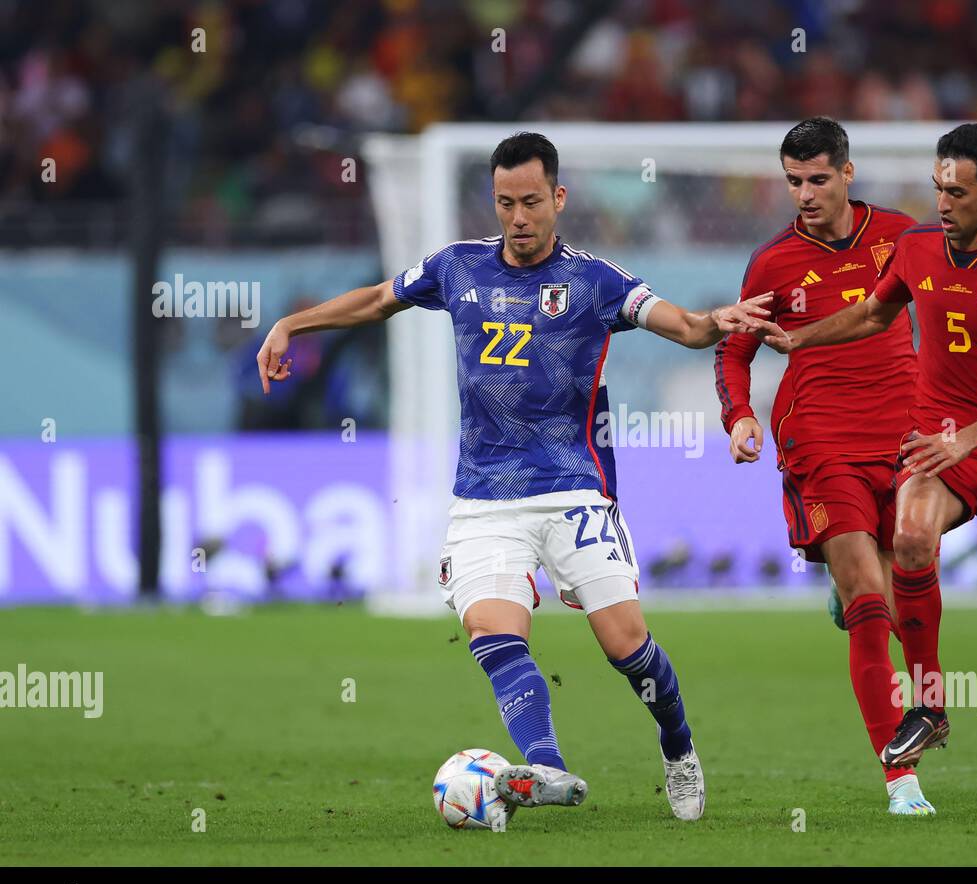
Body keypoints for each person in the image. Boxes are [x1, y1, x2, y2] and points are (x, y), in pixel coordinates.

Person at [256, 131, 772, 822]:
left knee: (627, 648)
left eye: (531, 201)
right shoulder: (457, 269)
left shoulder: (594, 281)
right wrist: (293, 323)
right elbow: (379, 300)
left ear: (558, 198)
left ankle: (677, 747)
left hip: (573, 489)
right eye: (505, 203)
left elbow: (676, 323)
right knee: (496, 637)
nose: (519, 217)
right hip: (485, 498)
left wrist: (715, 323)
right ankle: (548, 769)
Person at [745, 123, 977, 817]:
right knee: (908, 536)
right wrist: (800, 337)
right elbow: (873, 312)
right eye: (936, 189)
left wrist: (971, 439)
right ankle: (930, 703)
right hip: (938, 448)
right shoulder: (916, 248)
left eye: (957, 192)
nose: (943, 203)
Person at [714, 117, 940, 815]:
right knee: (871, 602)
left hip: (905, 432)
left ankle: (885, 636)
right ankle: (900, 779)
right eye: (792, 181)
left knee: (907, 584)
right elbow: (735, 350)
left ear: (847, 173)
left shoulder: (905, 234)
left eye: (816, 179)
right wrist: (741, 416)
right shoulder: (773, 261)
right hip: (821, 438)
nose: (804, 194)